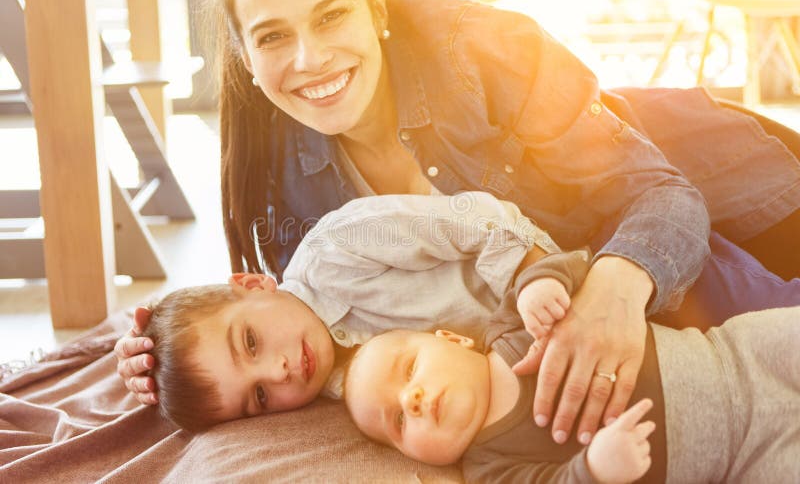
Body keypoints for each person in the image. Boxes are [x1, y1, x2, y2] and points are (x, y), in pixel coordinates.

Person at [118, 0, 800, 444]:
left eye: (331, 17)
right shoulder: (284, 189)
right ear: (241, 52)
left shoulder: (484, 52)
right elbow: (271, 325)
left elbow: (660, 193)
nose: (310, 60)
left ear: (374, 7)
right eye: (272, 36)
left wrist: (612, 293)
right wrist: (161, 359)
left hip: (704, 194)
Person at [120, 193, 800, 440]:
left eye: (249, 341)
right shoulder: (331, 390)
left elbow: (472, 222)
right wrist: (153, 375)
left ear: (250, 282)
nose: (279, 368)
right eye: (259, 397)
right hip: (637, 377)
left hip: (572, 284)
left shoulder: (336, 252)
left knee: (771, 319)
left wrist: (531, 279)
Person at [344, 306, 800, 483]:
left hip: (738, 353)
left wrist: (546, 283)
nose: (411, 400)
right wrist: (594, 469)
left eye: (409, 369)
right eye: (399, 423)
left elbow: (577, 272)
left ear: (452, 338)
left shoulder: (512, 327)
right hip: (741, 460)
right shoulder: (489, 469)